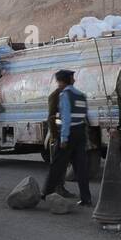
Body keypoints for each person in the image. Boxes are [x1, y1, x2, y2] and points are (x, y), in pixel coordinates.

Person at [42, 69, 93, 206]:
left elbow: (66, 118)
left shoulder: (65, 95)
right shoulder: (81, 95)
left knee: (57, 165)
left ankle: (45, 193)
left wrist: (64, 138)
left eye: (58, 81)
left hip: (69, 133)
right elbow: (85, 117)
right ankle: (86, 198)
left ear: (62, 81)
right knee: (81, 168)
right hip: (81, 132)